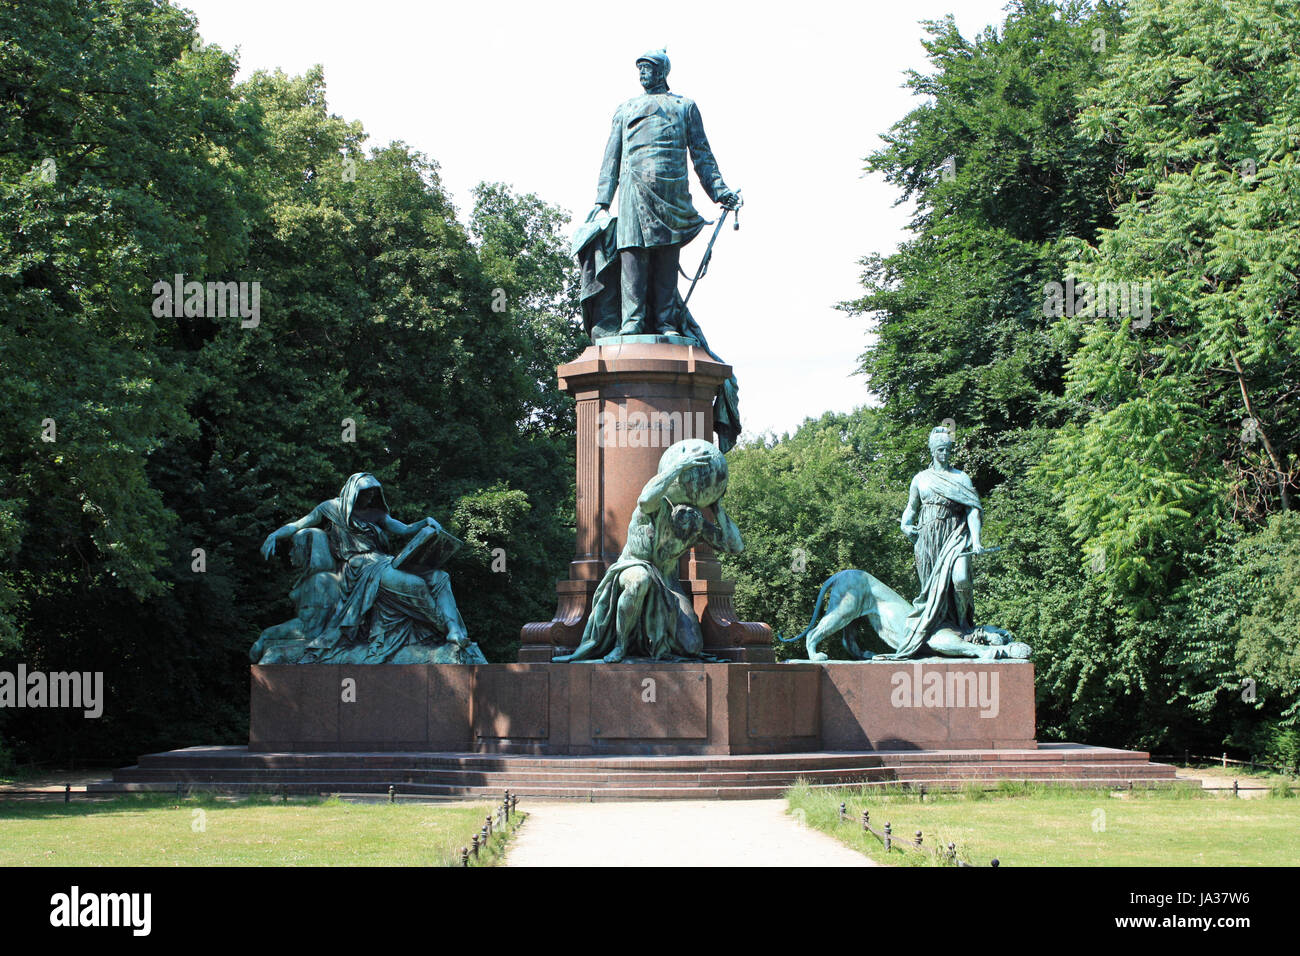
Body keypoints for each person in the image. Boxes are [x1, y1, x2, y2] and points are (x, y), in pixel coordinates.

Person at [259, 472, 482, 664]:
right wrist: (274, 535)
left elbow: (404, 530)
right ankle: (442, 629)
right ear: (353, 492)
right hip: (361, 568)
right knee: (414, 585)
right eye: (365, 493)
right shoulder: (330, 508)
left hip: (383, 560)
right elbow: (299, 524)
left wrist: (425, 523)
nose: (369, 498)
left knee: (439, 576)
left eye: (373, 494)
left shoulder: (376, 514)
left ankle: (455, 632)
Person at [591, 49, 740, 336]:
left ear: (662, 72)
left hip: (671, 195)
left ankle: (666, 322)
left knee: (666, 261)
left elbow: (702, 156)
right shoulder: (625, 109)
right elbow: (611, 157)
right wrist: (602, 201)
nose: (642, 74)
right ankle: (632, 321)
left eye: (647, 68)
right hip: (633, 192)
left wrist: (720, 192)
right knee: (632, 257)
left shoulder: (684, 107)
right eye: (640, 69)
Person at [554, 440, 743, 663]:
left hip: (667, 583)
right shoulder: (654, 507)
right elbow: (644, 499)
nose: (686, 518)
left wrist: (717, 505)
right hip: (634, 566)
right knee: (639, 581)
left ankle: (652, 644)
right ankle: (620, 646)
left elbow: (735, 546)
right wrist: (679, 467)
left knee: (692, 646)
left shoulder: (693, 522)